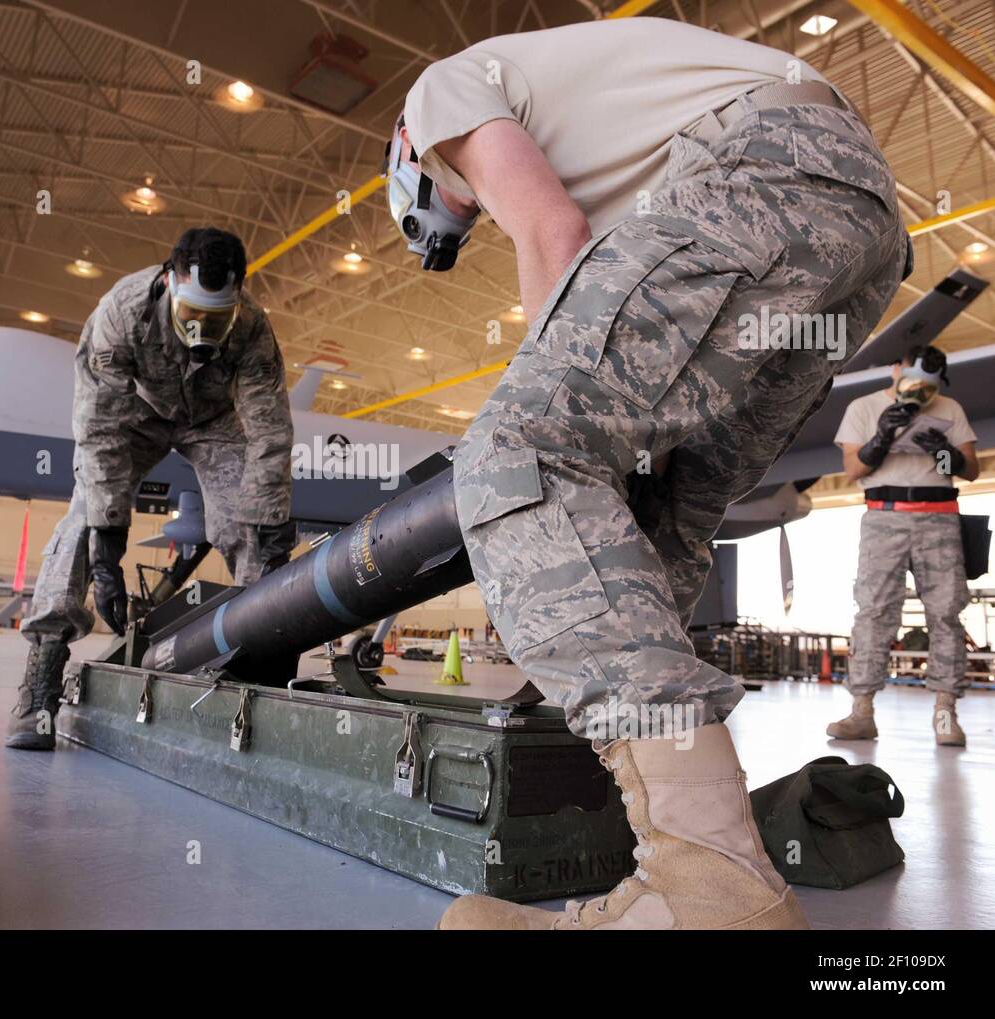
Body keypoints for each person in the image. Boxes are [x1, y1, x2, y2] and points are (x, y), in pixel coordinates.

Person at [386, 17, 910, 929]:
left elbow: (551, 229)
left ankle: (717, 885)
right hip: (855, 219)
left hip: (761, 168)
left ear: (407, 158)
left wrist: (540, 412)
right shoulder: (616, 134)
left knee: (523, 454)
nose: (463, 208)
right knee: (654, 519)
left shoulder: (435, 99)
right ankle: (678, 881)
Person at [5, 227, 295, 751]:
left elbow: (268, 430)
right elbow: (100, 435)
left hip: (212, 419)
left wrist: (273, 522)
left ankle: (264, 669)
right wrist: (107, 549)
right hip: (134, 413)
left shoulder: (251, 327)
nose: (203, 329)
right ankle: (42, 675)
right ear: (169, 282)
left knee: (248, 530)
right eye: (193, 315)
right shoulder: (120, 314)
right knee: (81, 524)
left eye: (216, 318)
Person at [829, 345, 977, 747]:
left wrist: (943, 454)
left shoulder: (950, 409)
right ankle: (862, 712)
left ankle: (945, 713)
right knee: (874, 611)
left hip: (939, 514)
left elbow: (970, 468)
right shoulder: (864, 407)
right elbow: (854, 469)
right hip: (884, 515)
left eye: (928, 388)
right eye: (913, 383)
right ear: (895, 370)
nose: (920, 393)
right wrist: (882, 436)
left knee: (946, 611)